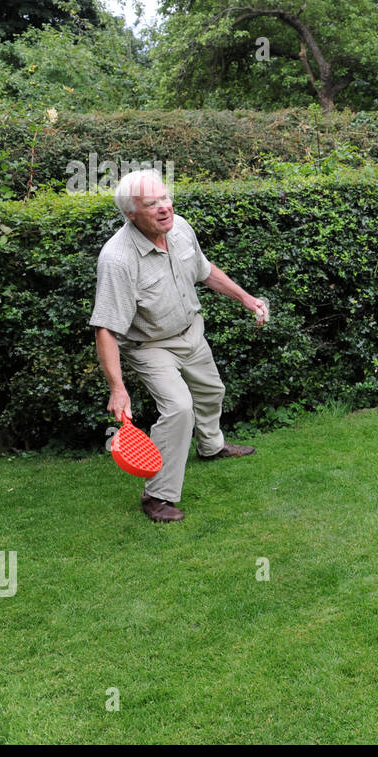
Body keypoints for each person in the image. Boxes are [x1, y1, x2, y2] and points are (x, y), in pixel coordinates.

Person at [90, 169, 269, 522]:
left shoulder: (181, 228)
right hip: (150, 345)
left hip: (191, 331)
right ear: (130, 213)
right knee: (179, 408)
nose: (163, 208)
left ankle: (211, 446)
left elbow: (204, 270)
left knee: (211, 391)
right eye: (151, 203)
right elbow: (106, 329)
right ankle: (157, 495)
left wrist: (246, 299)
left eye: (165, 198)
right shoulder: (117, 259)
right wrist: (117, 388)